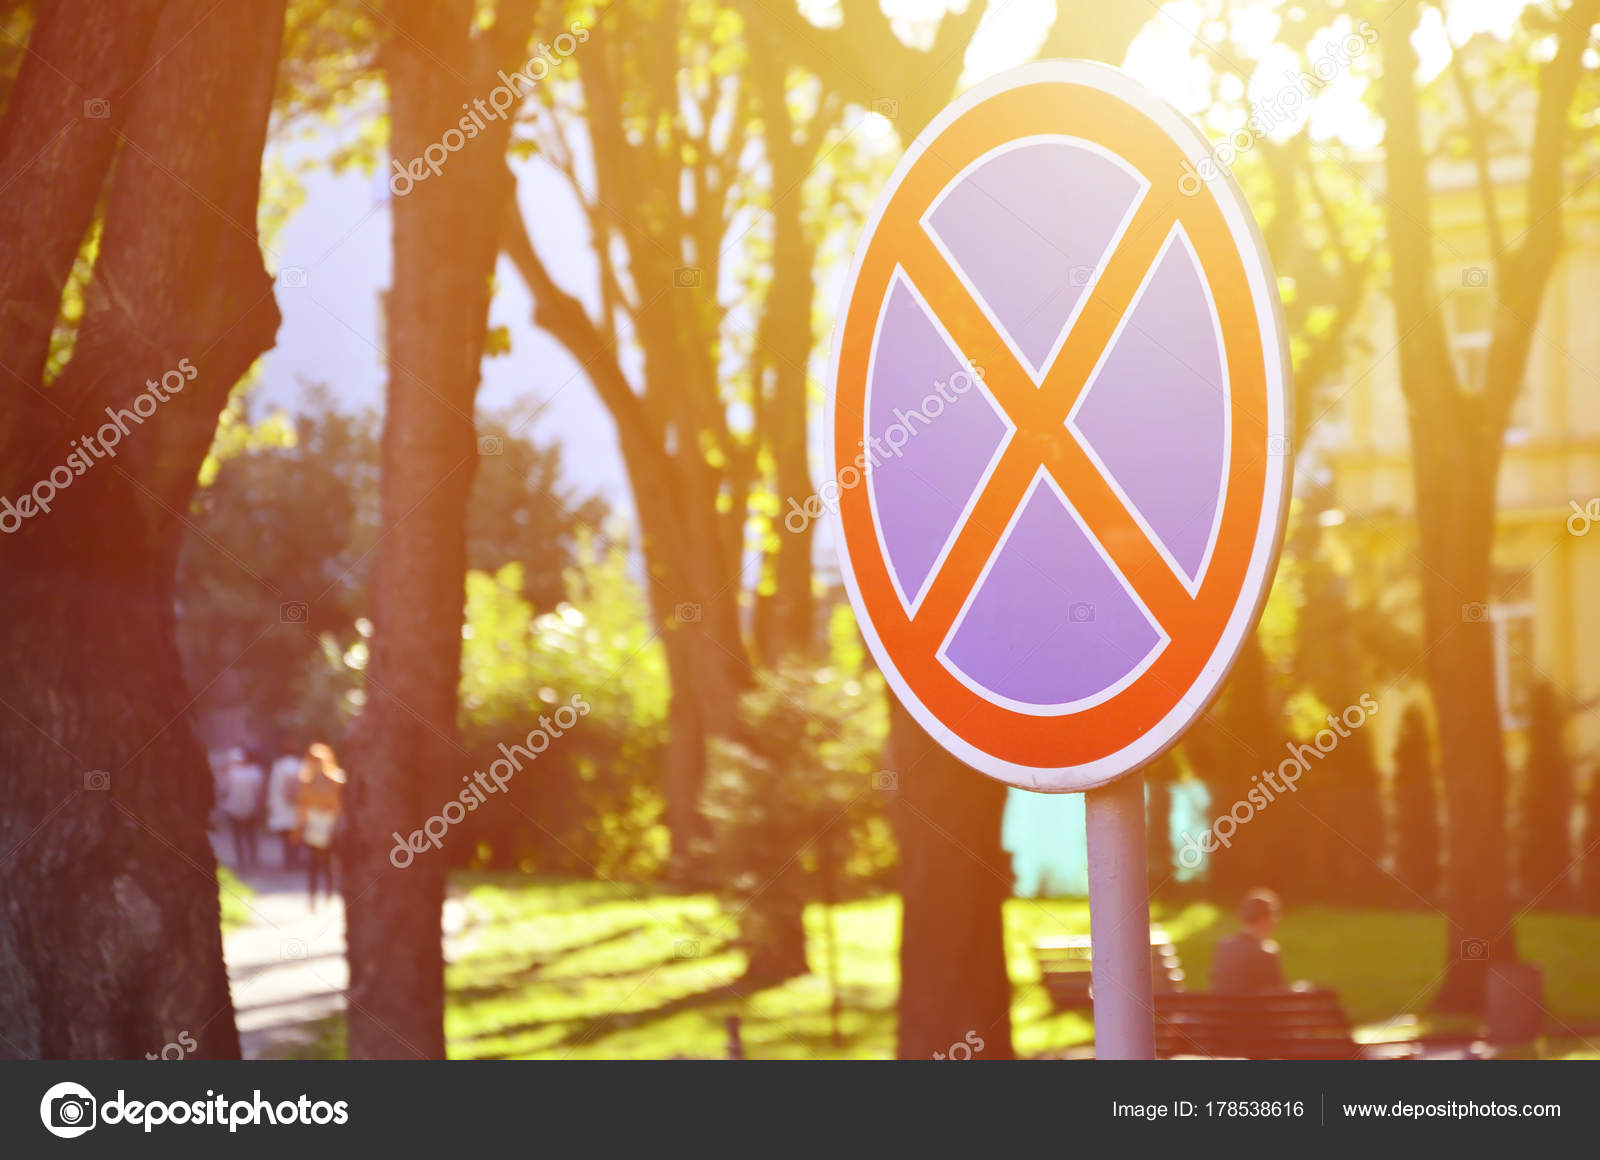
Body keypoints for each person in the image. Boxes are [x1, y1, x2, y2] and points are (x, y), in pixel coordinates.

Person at [293, 742, 345, 908]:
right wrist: (298, 829)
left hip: (330, 824)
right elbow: (302, 807)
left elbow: (340, 804)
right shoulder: (306, 782)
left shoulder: (336, 780)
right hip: (313, 825)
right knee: (312, 863)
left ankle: (329, 895)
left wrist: (338, 824)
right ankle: (312, 897)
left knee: (328, 862)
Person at [1209, 889, 1286, 993]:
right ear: (1265, 918)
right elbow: (1278, 992)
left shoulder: (1223, 947)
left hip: (1224, 1008)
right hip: (1254, 1009)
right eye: (1275, 916)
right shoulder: (1267, 951)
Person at [221, 748, 266, 874]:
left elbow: (224, 790)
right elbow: (259, 791)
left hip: (234, 808)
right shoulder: (255, 772)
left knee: (238, 837)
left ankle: (241, 861)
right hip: (251, 808)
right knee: (251, 836)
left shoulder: (231, 773)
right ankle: (253, 860)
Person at [265, 752, 303, 870]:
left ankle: (288, 862)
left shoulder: (278, 766)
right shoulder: (301, 765)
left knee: (285, 838)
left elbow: (273, 789)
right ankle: (295, 860)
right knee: (296, 837)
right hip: (297, 808)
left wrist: (270, 806)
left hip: (282, 808)